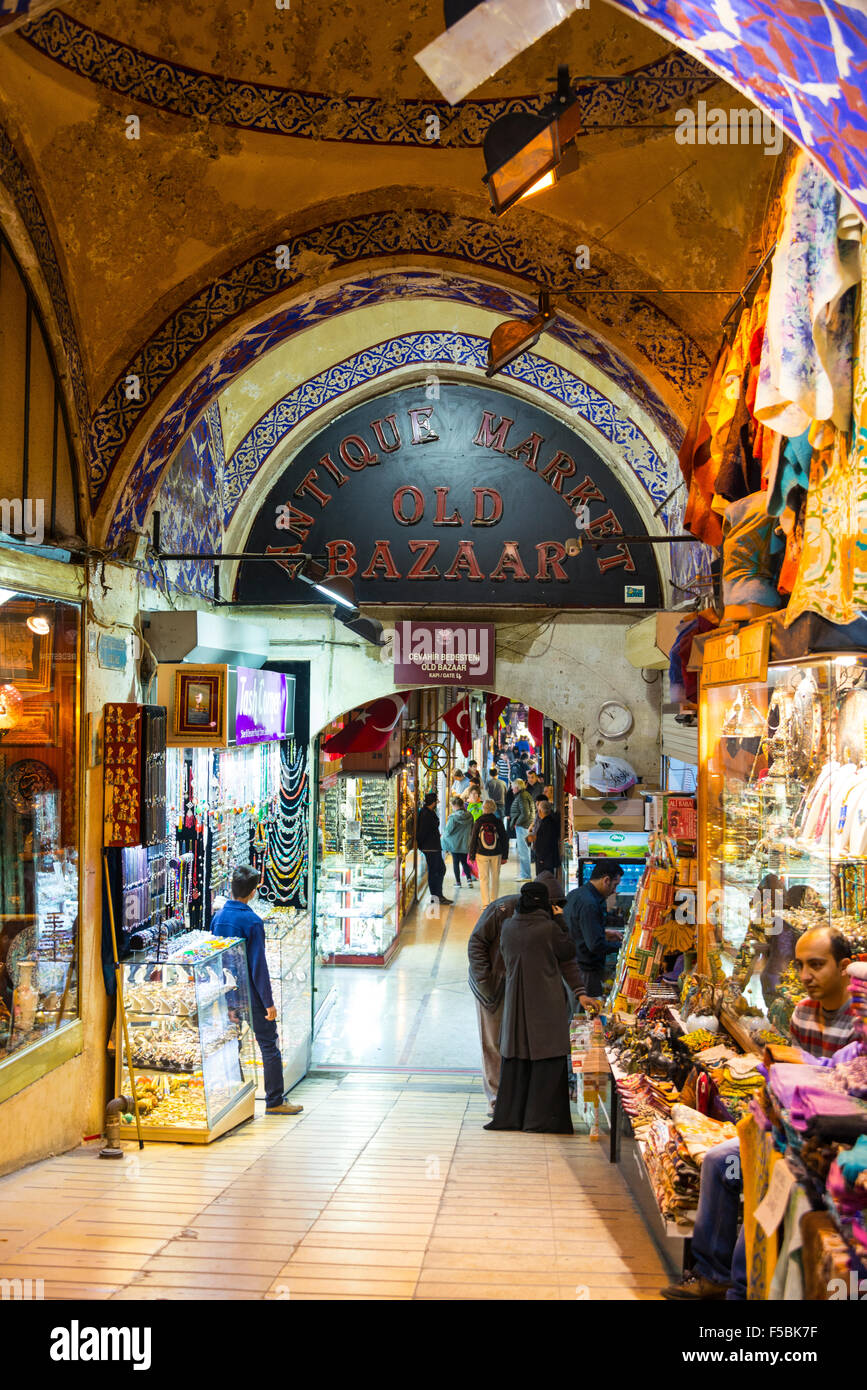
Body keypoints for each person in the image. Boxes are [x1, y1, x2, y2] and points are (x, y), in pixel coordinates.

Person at [663, 925, 857, 1300]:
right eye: (800, 965)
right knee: (721, 1161)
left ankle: (742, 1288)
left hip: (836, 1144)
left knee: (768, 1179)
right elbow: (793, 1082)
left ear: (845, 966)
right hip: (794, 1129)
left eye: (816, 965)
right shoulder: (801, 1013)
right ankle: (713, 1274)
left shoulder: (860, 1021)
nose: (804, 976)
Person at [468, 872, 590, 1114]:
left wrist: (579, 991)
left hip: (520, 986)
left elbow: (565, 956)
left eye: (559, 904)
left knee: (516, 1041)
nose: (556, 908)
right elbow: (476, 943)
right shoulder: (503, 910)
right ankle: (496, 1100)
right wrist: (486, 982)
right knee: (493, 1041)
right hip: (493, 985)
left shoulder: (550, 918)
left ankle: (516, 1096)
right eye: (552, 903)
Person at [210, 865, 302, 1116]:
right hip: (250, 994)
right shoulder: (252, 921)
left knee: (232, 1045)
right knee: (269, 1044)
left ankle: (236, 1095)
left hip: (227, 993)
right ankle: (274, 1100)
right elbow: (257, 966)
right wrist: (269, 1003)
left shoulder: (218, 918)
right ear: (252, 892)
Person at [563, 860, 624, 999]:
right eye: (615, 885)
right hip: (585, 973)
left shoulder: (575, 894)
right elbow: (595, 945)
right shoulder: (590, 904)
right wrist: (622, 946)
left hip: (573, 967)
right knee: (587, 1015)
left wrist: (603, 933)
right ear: (606, 880)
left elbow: (577, 929)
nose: (614, 891)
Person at [468, 799, 509, 906]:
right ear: (494, 809)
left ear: (483, 808)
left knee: (484, 878)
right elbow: (504, 839)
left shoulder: (479, 821)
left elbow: (473, 839)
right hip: (496, 853)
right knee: (495, 878)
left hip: (481, 853)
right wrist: (505, 855)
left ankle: (486, 904)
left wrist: (471, 855)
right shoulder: (498, 821)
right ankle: (494, 901)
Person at [416, 790, 452, 905]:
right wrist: (421, 845)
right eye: (436, 801)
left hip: (432, 846)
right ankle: (437, 896)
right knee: (436, 870)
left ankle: (437, 895)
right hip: (430, 847)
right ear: (433, 802)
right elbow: (422, 831)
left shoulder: (427, 812)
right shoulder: (426, 814)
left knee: (438, 870)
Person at [441, 795, 474, 890]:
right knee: (464, 862)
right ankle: (469, 880)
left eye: (452, 806)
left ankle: (458, 882)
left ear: (455, 806)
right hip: (465, 843)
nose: (452, 808)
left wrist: (443, 831)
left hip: (454, 844)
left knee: (456, 863)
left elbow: (447, 831)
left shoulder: (453, 817)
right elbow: (472, 829)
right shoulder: (469, 815)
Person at [509, 778, 535, 881]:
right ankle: (524, 873)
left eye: (512, 787)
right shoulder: (525, 794)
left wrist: (517, 822)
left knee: (523, 851)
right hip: (525, 825)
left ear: (516, 787)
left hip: (523, 826)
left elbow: (525, 813)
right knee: (524, 850)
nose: (511, 789)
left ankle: (526, 875)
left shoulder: (521, 796)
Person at [529, 799, 561, 879]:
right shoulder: (549, 821)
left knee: (544, 879)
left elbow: (545, 842)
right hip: (547, 858)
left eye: (538, 810)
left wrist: (541, 858)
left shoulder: (547, 823)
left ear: (540, 811)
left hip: (545, 859)